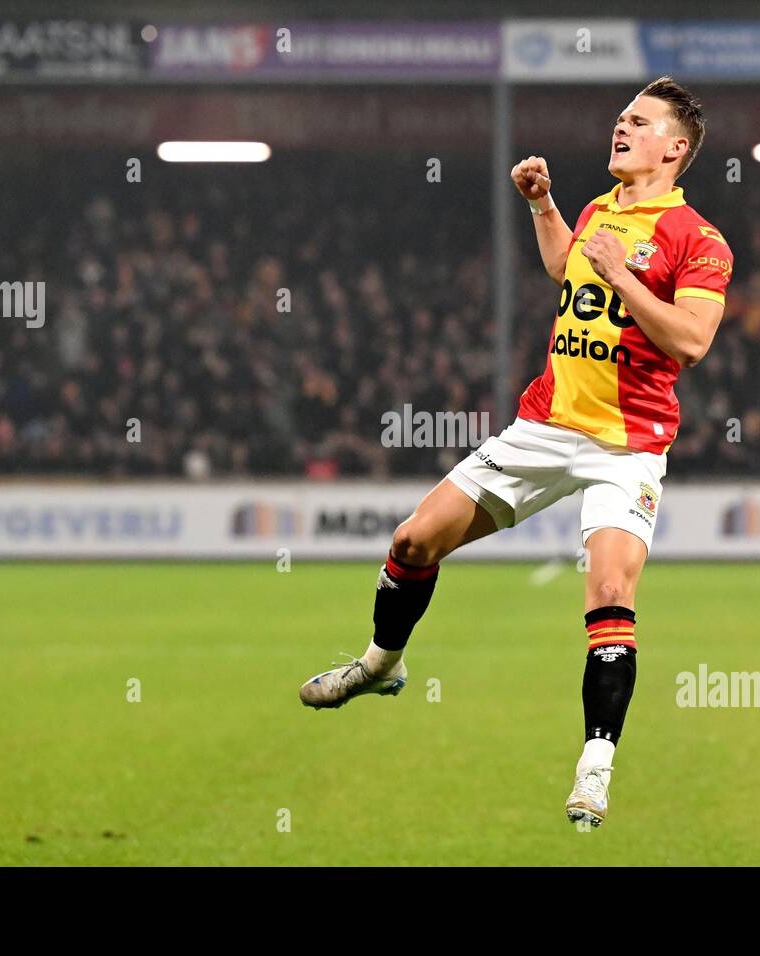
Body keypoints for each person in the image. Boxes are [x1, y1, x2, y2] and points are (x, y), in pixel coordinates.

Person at [299, 77, 735, 828]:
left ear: (676, 147)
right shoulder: (600, 209)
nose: (620, 125)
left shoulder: (699, 240)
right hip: (544, 425)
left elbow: (691, 342)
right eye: (620, 115)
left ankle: (594, 770)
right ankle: (381, 665)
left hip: (625, 446)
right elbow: (570, 269)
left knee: (608, 595)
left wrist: (622, 272)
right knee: (413, 540)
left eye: (638, 120)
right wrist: (543, 207)